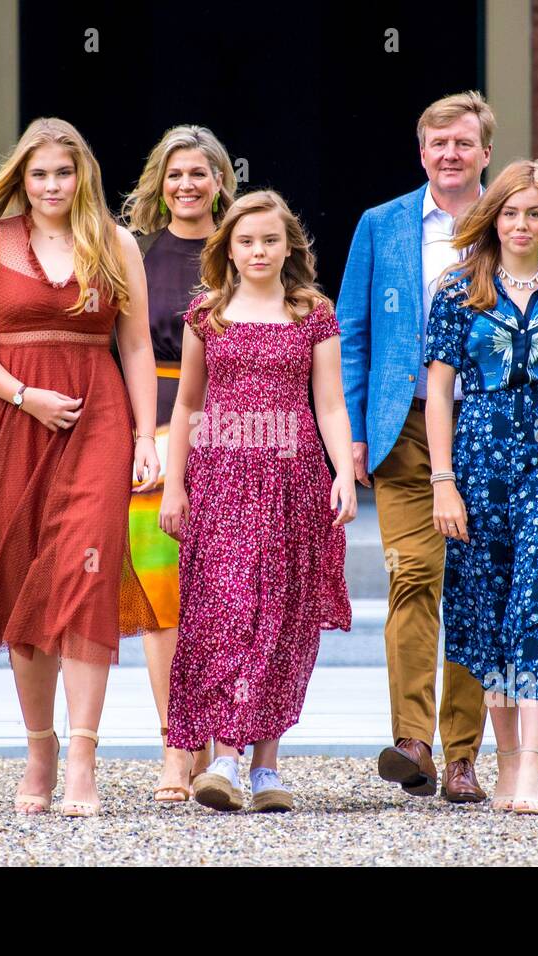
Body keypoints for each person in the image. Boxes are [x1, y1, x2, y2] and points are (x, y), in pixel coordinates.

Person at [0, 117, 161, 818]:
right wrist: (24, 395)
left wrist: (146, 436)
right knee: (24, 587)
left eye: (64, 172)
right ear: (23, 180)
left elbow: (134, 349)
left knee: (85, 581)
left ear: (82, 175)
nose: (52, 185)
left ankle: (85, 762)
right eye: (40, 174)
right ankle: (41, 752)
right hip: (13, 424)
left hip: (99, 425)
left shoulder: (115, 244)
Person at [424, 159, 538, 814]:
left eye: (534, 213)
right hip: (476, 470)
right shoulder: (456, 294)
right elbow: (438, 396)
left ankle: (531, 767)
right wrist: (442, 482)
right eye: (510, 212)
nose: (522, 224)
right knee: (486, 612)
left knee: (536, 606)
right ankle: (505, 767)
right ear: (492, 217)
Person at [159, 190, 355, 813]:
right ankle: (221, 758)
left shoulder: (312, 312)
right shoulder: (207, 314)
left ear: (289, 245)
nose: (258, 251)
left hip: (292, 483)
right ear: (229, 248)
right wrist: (174, 482)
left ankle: (266, 768)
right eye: (246, 241)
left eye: (269, 240)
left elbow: (328, 401)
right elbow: (187, 404)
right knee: (222, 611)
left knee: (281, 615)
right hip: (221, 482)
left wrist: (342, 471)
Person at [336, 91, 495, 802]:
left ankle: (463, 756)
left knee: (473, 590)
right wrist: (354, 434)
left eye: (463, 143)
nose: (450, 155)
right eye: (438, 145)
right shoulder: (382, 225)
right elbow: (354, 331)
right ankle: (413, 742)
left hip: (490, 430)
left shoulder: (512, 220)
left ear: (485, 151)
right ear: (421, 151)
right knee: (413, 577)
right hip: (403, 429)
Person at [116, 125, 238, 803]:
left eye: (199, 173)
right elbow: (121, 348)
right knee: (162, 598)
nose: (186, 185)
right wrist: (143, 434)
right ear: (158, 184)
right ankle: (175, 746)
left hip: (235, 434)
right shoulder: (135, 253)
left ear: (222, 178)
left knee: (224, 597)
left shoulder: (245, 244)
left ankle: (225, 749)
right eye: (174, 175)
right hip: (151, 433)